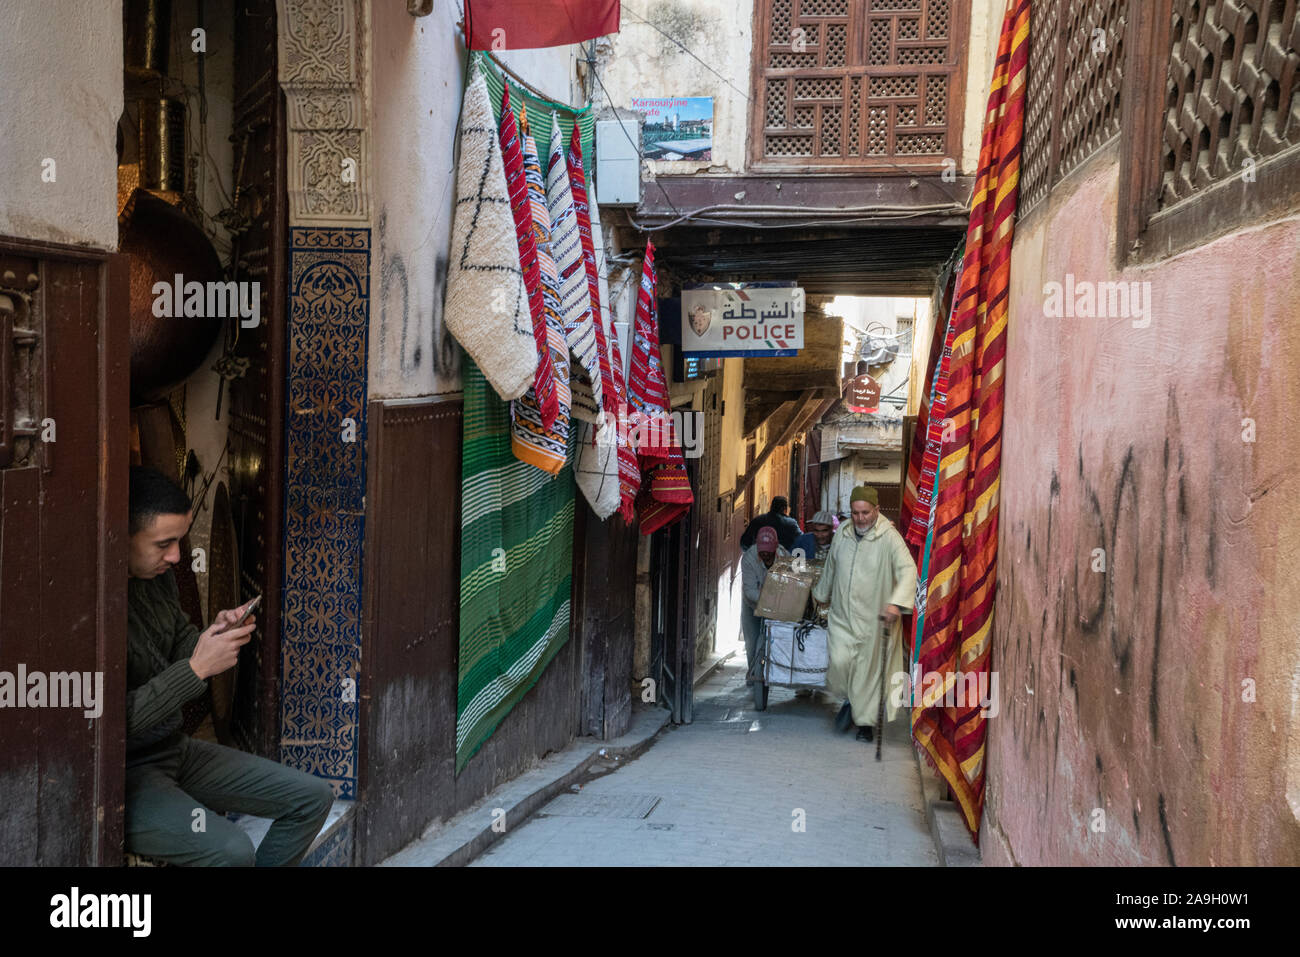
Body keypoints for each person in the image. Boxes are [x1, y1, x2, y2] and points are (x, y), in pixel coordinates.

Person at [125, 466, 334, 865]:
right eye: (163, 544)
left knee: (312, 798)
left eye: (180, 543)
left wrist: (214, 636)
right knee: (232, 849)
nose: (175, 556)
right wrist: (196, 670)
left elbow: (178, 643)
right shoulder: (88, 601)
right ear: (121, 535)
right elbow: (112, 722)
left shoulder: (157, 578)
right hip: (124, 774)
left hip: (172, 750)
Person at [811, 485, 916, 743]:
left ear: (877, 510)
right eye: (856, 513)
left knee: (867, 675)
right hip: (842, 617)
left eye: (866, 513)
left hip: (874, 622)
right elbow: (831, 567)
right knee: (839, 662)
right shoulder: (843, 534)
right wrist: (821, 594)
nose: (860, 518)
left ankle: (865, 725)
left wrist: (896, 603)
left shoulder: (889, 537)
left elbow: (908, 570)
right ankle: (850, 700)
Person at [740, 526, 788, 704]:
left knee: (781, 638)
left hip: (777, 605)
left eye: (769, 553)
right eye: (762, 553)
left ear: (776, 548)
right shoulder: (749, 558)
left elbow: (792, 582)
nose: (765, 556)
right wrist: (769, 596)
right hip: (752, 605)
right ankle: (754, 674)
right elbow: (750, 590)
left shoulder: (785, 556)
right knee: (752, 641)